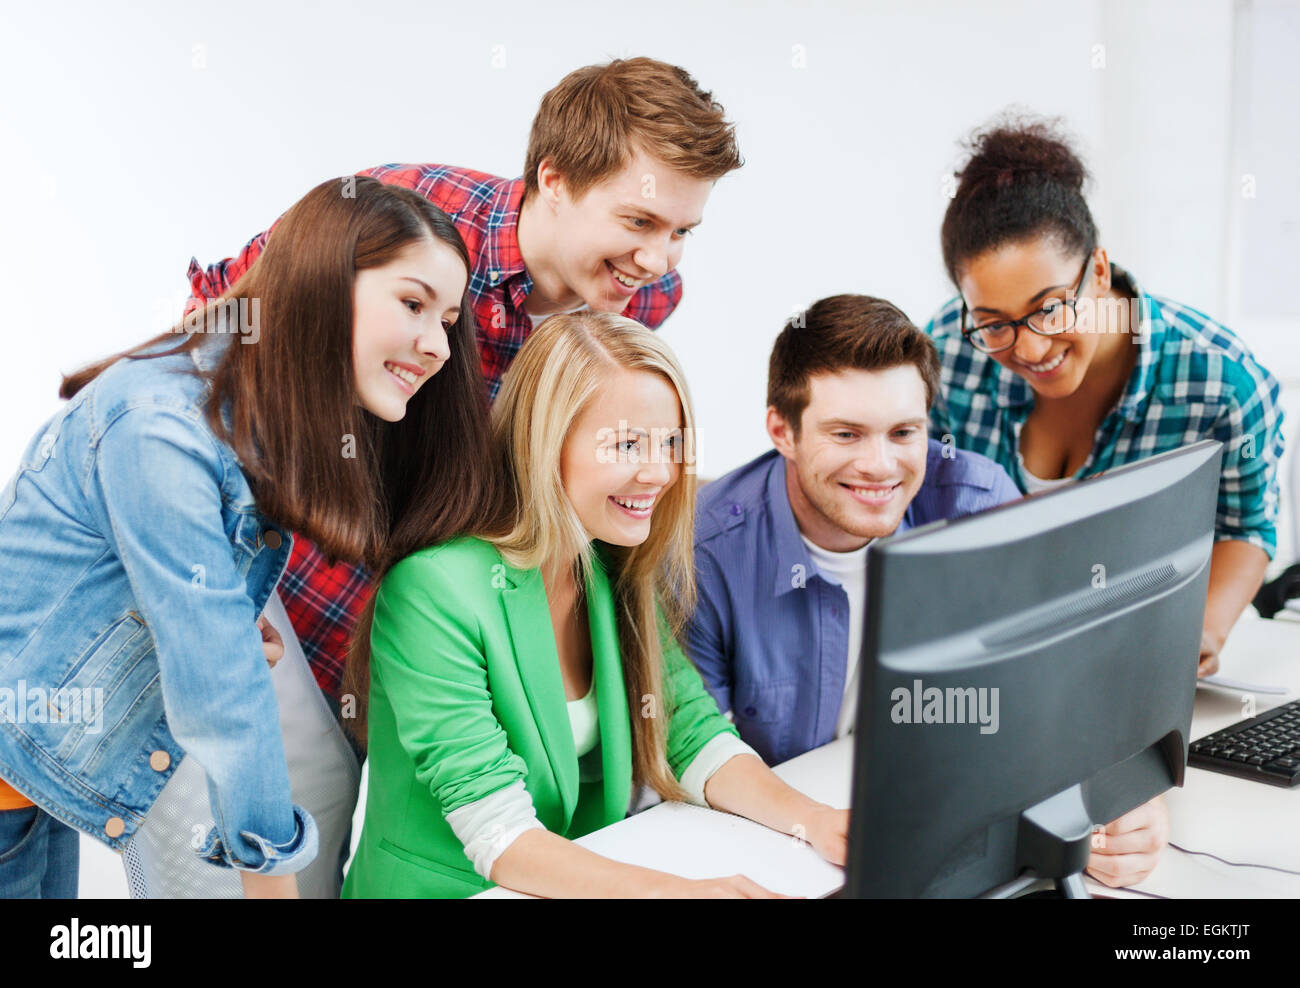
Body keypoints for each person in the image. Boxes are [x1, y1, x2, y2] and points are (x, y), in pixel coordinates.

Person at [187, 57, 744, 711]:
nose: (657, 261)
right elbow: (205, 347)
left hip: (416, 629)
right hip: (273, 583)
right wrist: (206, 571)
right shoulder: (406, 222)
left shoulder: (645, 299)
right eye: (638, 222)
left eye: (682, 232)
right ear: (555, 181)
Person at [0, 175, 494, 898]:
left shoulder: (254, 409)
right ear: (321, 286)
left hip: (27, 777)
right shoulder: (163, 427)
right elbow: (223, 694)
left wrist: (204, 622)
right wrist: (271, 880)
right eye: (413, 304)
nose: (438, 347)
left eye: (448, 320)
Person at [341, 311, 847, 898]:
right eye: (627, 444)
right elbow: (498, 833)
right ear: (543, 444)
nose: (659, 472)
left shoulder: (609, 563)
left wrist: (812, 819)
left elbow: (689, 733)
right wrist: (675, 893)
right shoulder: (434, 590)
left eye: (671, 444)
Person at [685, 293, 1169, 889]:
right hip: (777, 845)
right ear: (781, 430)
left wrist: (1114, 795)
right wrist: (809, 823)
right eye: (846, 433)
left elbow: (1059, 683)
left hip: (945, 827)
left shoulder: (978, 505)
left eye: (903, 432)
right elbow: (690, 745)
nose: (880, 465)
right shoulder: (705, 551)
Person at [924, 115, 1285, 680]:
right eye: (993, 323)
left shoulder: (1221, 382)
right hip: (996, 664)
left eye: (1049, 307)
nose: (1031, 346)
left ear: (1097, 268)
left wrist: (1204, 632)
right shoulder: (948, 352)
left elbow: (1247, 529)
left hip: (1134, 666)